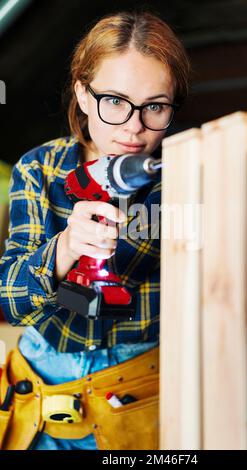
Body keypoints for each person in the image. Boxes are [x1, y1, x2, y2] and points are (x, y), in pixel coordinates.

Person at [0, 10, 190, 450]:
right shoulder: (39, 168)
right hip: (40, 394)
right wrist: (64, 249)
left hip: (145, 391)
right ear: (84, 95)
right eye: (116, 101)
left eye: (155, 106)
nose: (134, 127)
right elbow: (9, 301)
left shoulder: (189, 171)